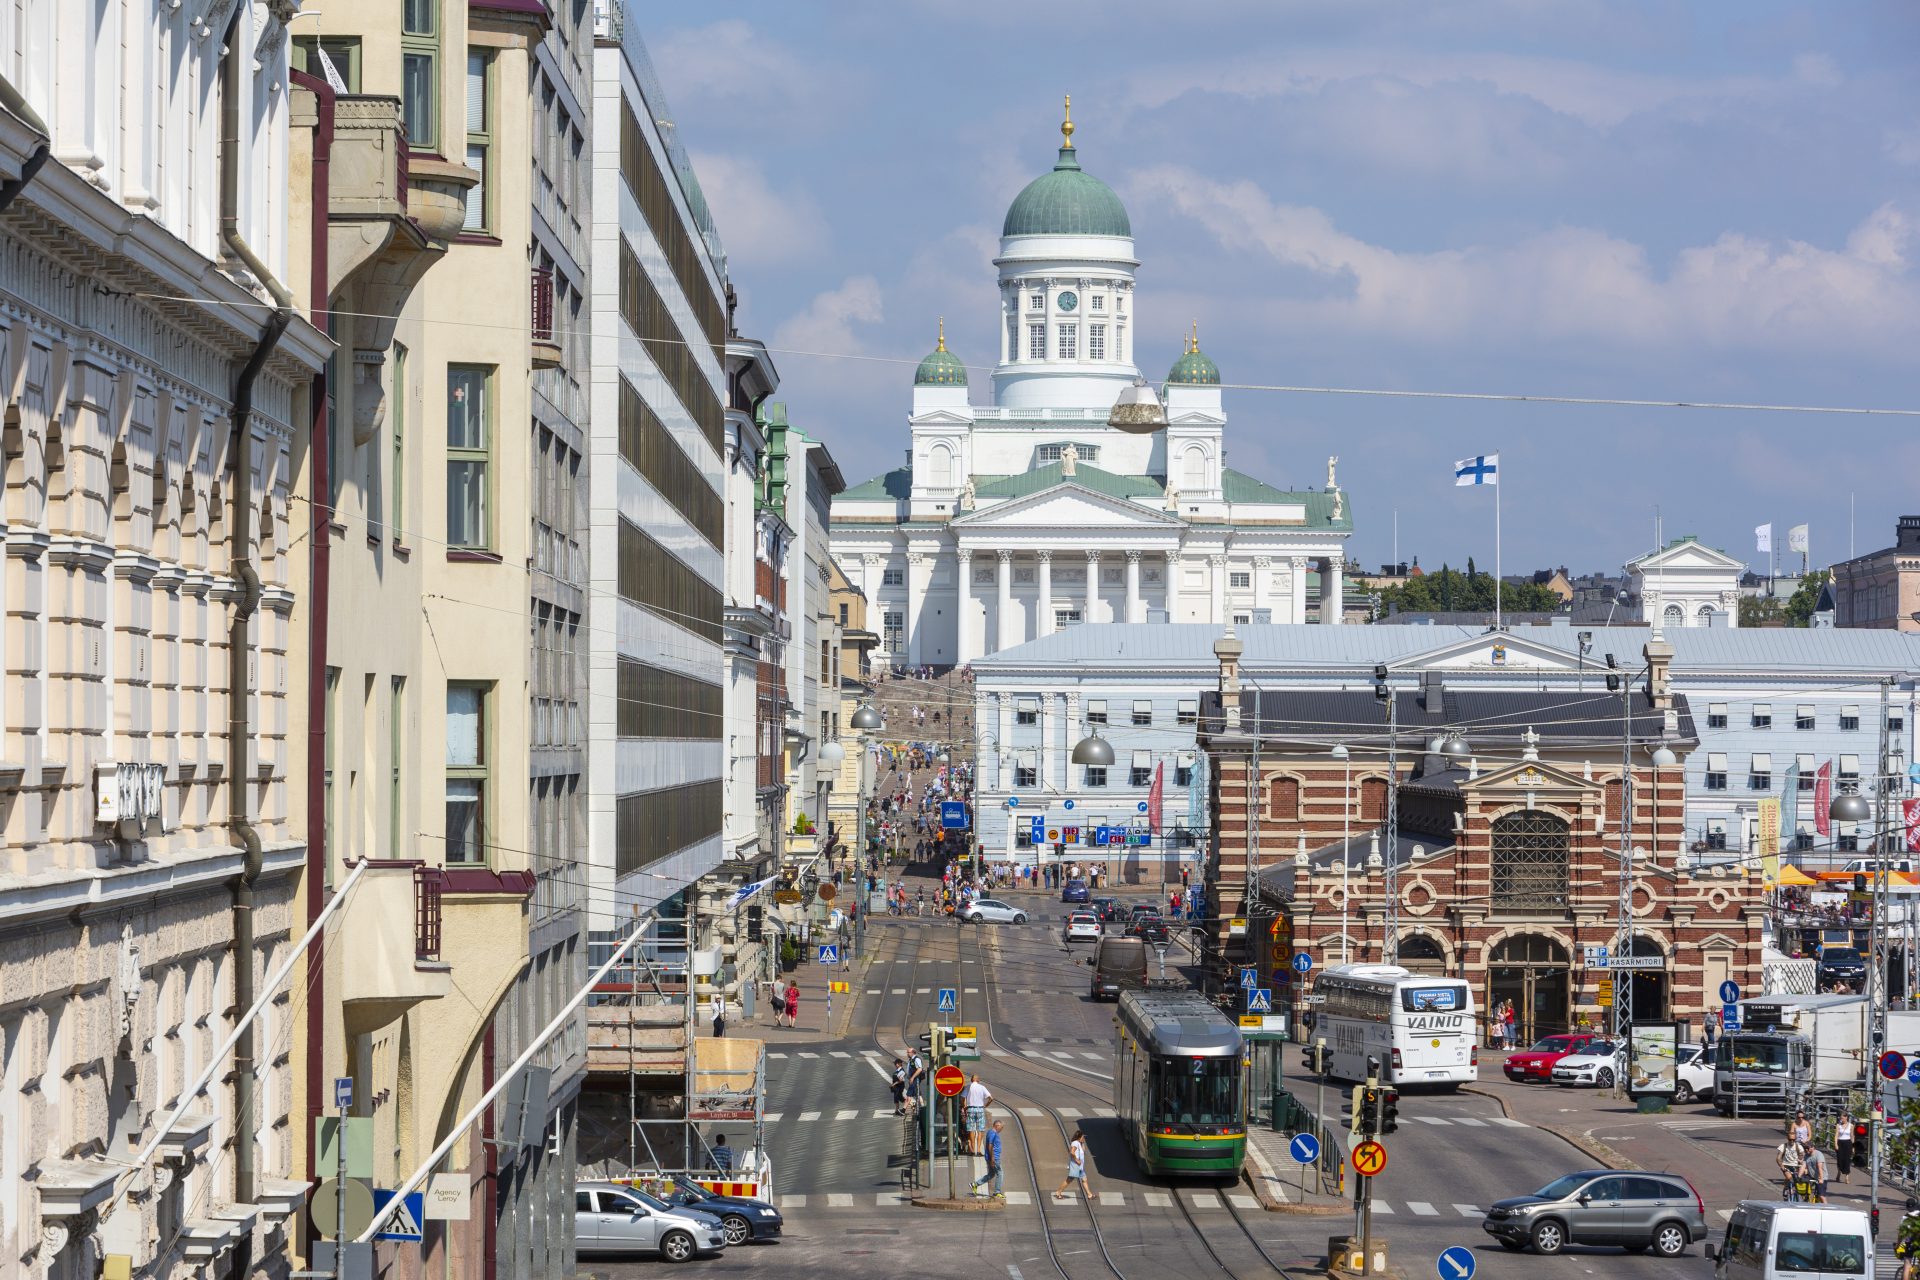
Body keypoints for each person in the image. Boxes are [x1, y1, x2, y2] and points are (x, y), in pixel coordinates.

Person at [1054, 1129, 1093, 1201]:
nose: (1083, 1138)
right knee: (1069, 1180)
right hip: (1075, 1165)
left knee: (1084, 1179)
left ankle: (1089, 1195)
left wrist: (1083, 1142)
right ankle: (1058, 1192)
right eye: (1083, 1137)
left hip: (1079, 1167)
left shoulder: (1079, 1143)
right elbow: (1072, 1152)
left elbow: (1083, 1151)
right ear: (1079, 1137)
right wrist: (1076, 1160)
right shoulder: (1075, 1143)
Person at [972, 1119, 1005, 1199]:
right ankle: (997, 1192)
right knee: (1000, 1173)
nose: (1001, 1129)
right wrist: (993, 1158)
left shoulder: (990, 1132)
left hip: (990, 1157)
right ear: (997, 1126)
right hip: (994, 1158)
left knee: (991, 1174)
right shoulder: (993, 1134)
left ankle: (975, 1184)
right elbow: (990, 1146)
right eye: (1001, 1127)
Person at [963, 1073, 992, 1155]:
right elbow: (991, 1098)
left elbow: (962, 1097)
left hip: (971, 1109)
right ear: (978, 1080)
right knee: (980, 1130)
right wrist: (985, 1105)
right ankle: (978, 1150)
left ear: (972, 1080)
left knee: (972, 1130)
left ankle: (972, 1150)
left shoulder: (968, 1087)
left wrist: (965, 1106)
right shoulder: (982, 1087)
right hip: (980, 1109)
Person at [1776, 1135, 1808, 1200]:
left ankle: (1801, 1196)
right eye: (1790, 1139)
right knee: (1789, 1177)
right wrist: (1781, 1166)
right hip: (1786, 1165)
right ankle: (1786, 1188)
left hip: (1796, 1166)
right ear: (1788, 1139)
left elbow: (1802, 1156)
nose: (1792, 1141)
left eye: (1793, 1139)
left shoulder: (1798, 1147)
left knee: (1799, 1179)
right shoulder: (1783, 1146)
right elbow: (1778, 1158)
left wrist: (1801, 1161)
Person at [1836, 1113, 1856, 1183]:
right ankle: (1839, 1173)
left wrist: (1853, 1146)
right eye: (1840, 1118)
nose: (1841, 1120)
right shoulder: (1838, 1125)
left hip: (1848, 1143)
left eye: (1842, 1118)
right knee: (1840, 1160)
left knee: (1847, 1160)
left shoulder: (1851, 1125)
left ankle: (1847, 1177)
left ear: (1846, 1117)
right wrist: (1836, 1144)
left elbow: (1852, 1136)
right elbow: (1836, 1136)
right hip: (1840, 1143)